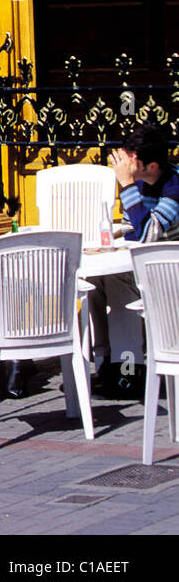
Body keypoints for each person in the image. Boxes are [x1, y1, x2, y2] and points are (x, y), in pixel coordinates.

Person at [86, 123, 179, 398]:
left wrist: (126, 184)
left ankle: (129, 373)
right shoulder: (140, 184)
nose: (123, 162)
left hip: (168, 274)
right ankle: (106, 365)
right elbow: (131, 226)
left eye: (131, 158)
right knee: (93, 282)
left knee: (118, 282)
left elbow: (146, 237)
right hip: (145, 267)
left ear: (150, 165)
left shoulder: (173, 188)